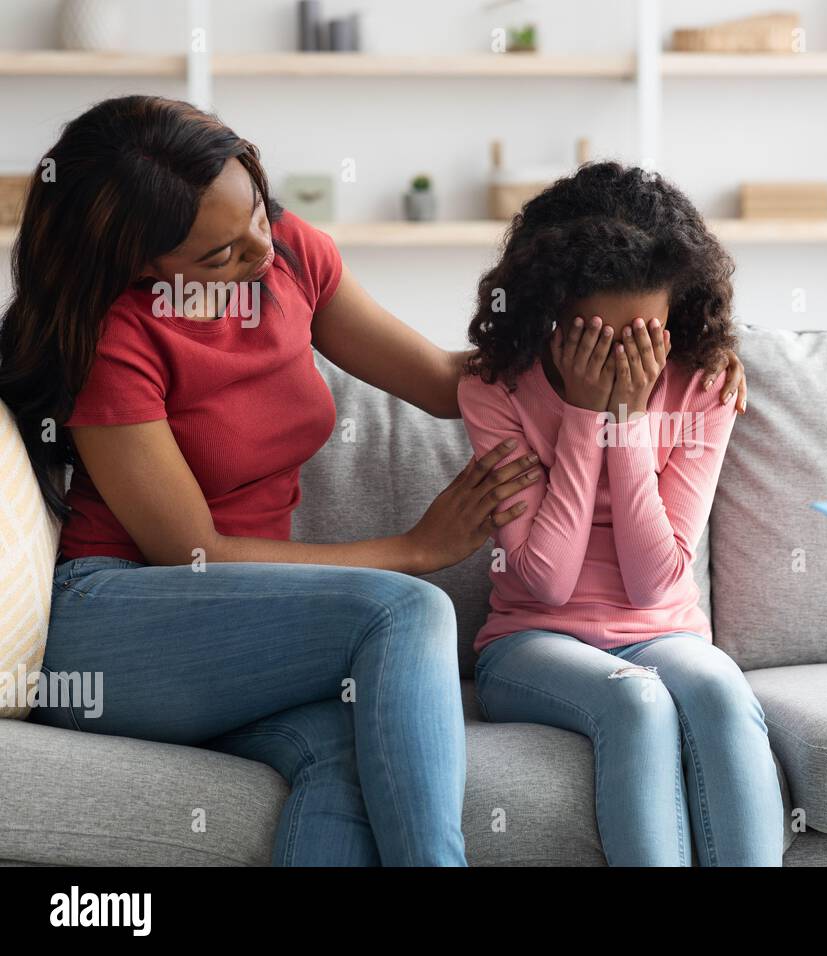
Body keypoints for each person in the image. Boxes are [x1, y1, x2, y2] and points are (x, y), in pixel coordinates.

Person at [0, 95, 752, 865]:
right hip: (122, 623)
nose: (260, 252)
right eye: (219, 256)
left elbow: (442, 381)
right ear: (135, 263)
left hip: (249, 637)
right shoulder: (114, 338)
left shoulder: (290, 256)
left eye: (258, 213)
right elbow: (190, 551)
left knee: (351, 766)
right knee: (406, 611)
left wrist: (683, 357)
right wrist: (415, 548)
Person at [458, 162, 785, 866]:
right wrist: (585, 415)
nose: (623, 357)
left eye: (645, 335)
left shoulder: (704, 384)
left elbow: (654, 583)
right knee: (634, 701)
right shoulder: (496, 390)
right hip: (532, 641)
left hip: (662, 629)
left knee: (720, 690)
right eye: (599, 337)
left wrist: (627, 421)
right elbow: (544, 581)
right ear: (552, 309)